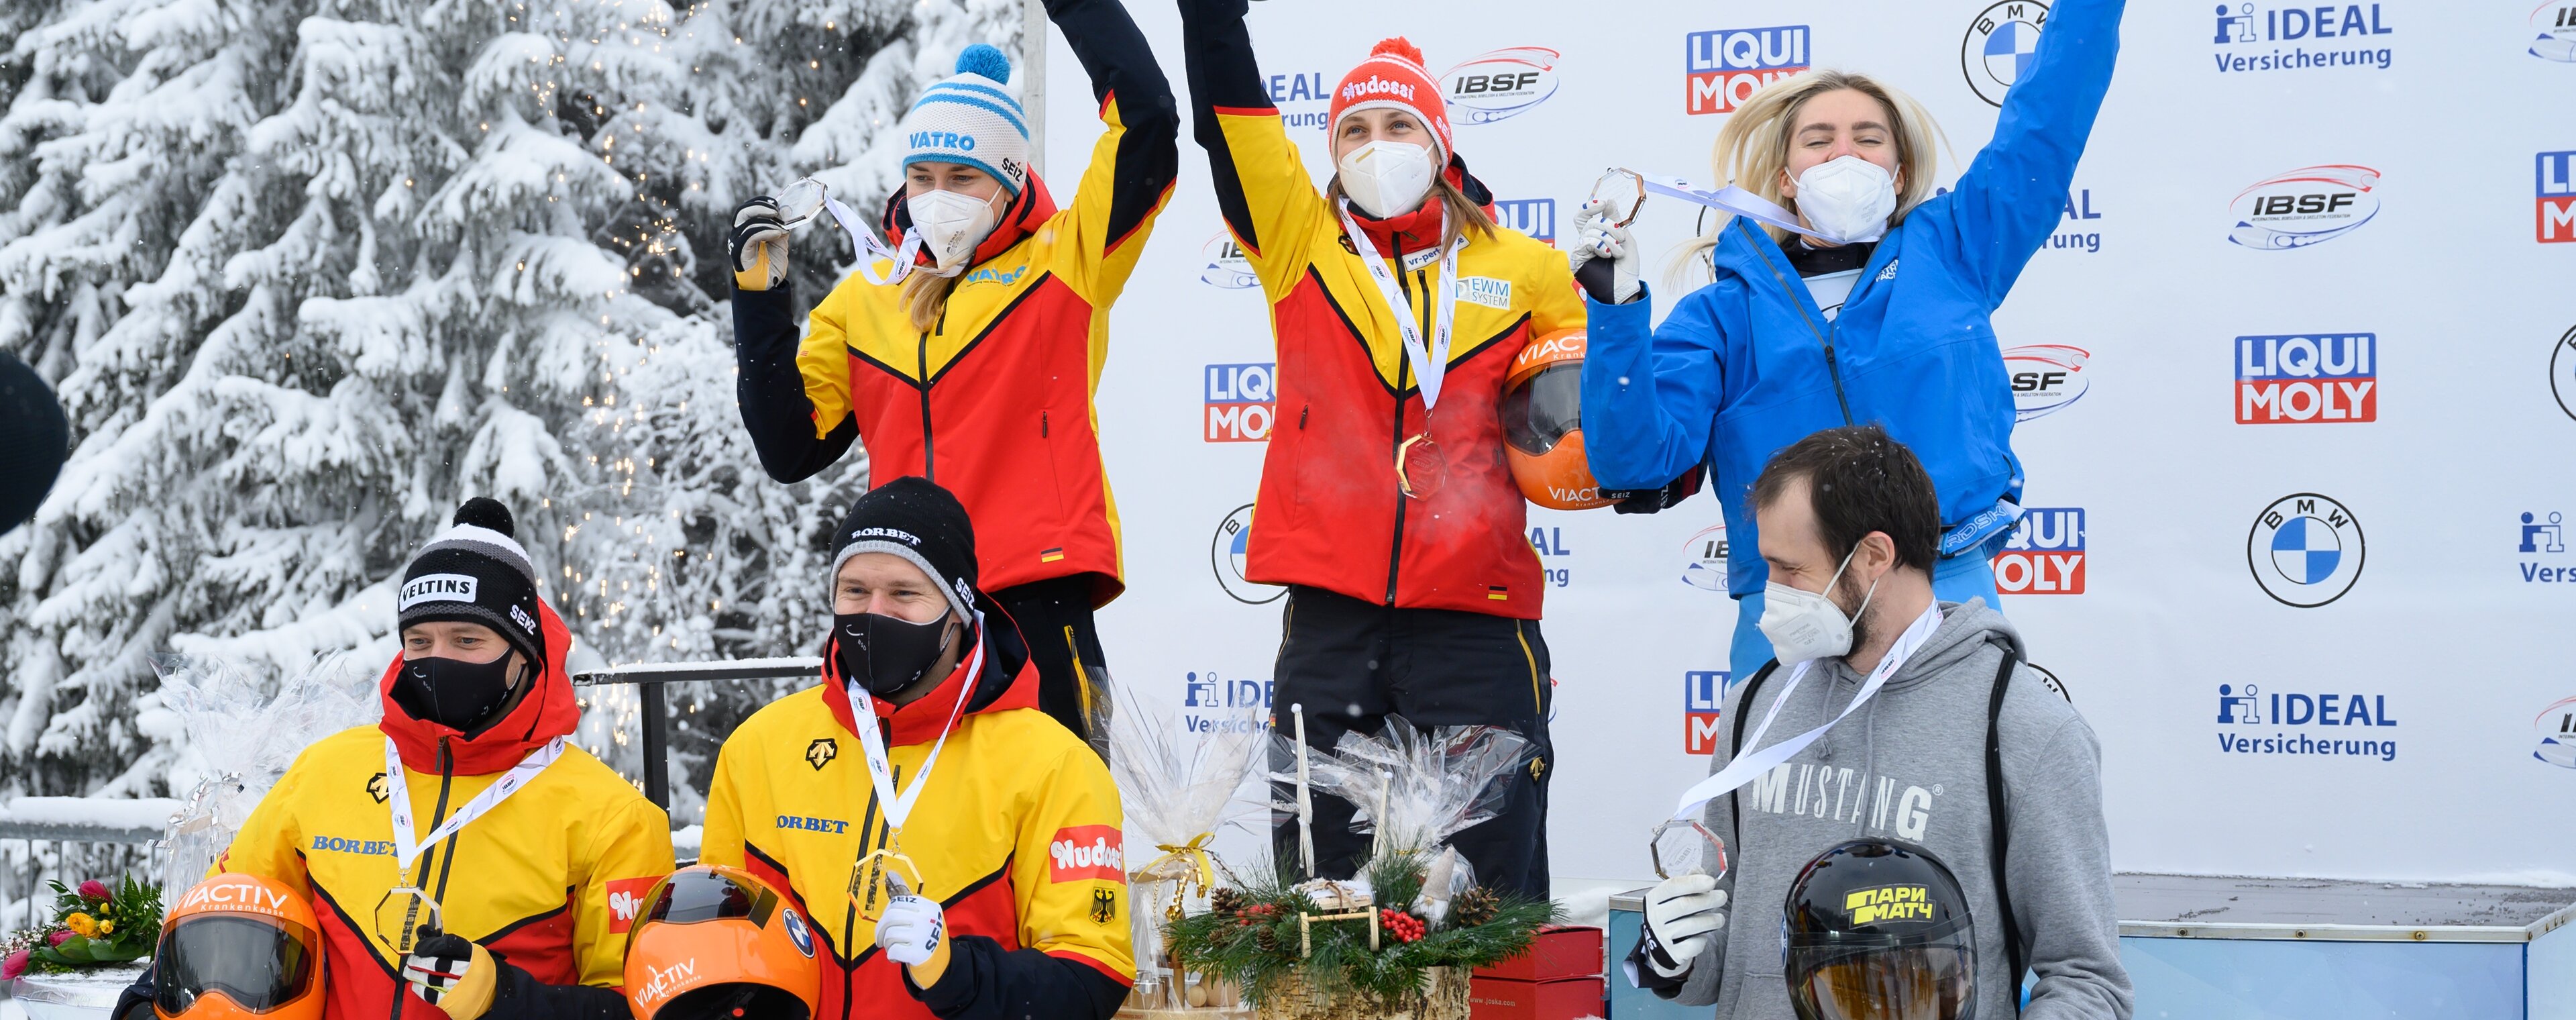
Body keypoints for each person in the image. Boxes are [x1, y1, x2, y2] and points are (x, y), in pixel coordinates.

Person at [1572, 0, 2125, 680]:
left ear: (1896, 175)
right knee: (1784, 793)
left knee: (1956, 787)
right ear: (1785, 177)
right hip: (1791, 607)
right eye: (1819, 139)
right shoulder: (1719, 314)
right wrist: (1617, 307)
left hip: (1943, 586)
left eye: (1868, 138)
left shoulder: (1959, 250)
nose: (1844, 152)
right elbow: (1634, 461)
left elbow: (2045, 125)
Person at [1175, 0, 1587, 899]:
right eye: (1352, 130)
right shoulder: (1299, 241)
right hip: (1333, 622)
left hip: (1477, 619)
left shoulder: (1530, 268)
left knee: (1486, 893)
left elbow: (1587, 435)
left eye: (1398, 124)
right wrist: (1210, 15)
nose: (1374, 144)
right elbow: (1231, 126)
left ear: (1440, 142)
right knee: (1323, 889)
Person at [727, 0, 1179, 752]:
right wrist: (761, 301)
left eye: (962, 176)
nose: (937, 196)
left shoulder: (1064, 263)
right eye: (922, 175)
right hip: (911, 608)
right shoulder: (867, 297)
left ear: (1008, 180)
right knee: (919, 842)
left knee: (1057, 835)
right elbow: (788, 445)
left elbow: (1147, 120)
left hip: (1036, 595)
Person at [1627, 426, 2130, 1019]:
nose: (1772, 595)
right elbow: (1727, 948)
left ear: (1873, 556)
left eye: (1791, 571)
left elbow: (2088, 980)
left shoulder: (2024, 727)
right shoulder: (1755, 706)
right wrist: (1674, 955)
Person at [116, 498, 677, 1020]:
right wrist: (150, 999)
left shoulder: (612, 817)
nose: (437, 660)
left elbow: (642, 1004)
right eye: (420, 641)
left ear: (524, 654)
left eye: (467, 640)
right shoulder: (324, 772)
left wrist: (504, 997)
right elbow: (228, 907)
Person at [697, 477, 1132, 1020]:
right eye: (854, 591)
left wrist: (957, 974)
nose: (875, 613)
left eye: (904, 593)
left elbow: (1091, 978)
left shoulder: (1053, 765)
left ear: (958, 610)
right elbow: (722, 949)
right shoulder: (758, 748)